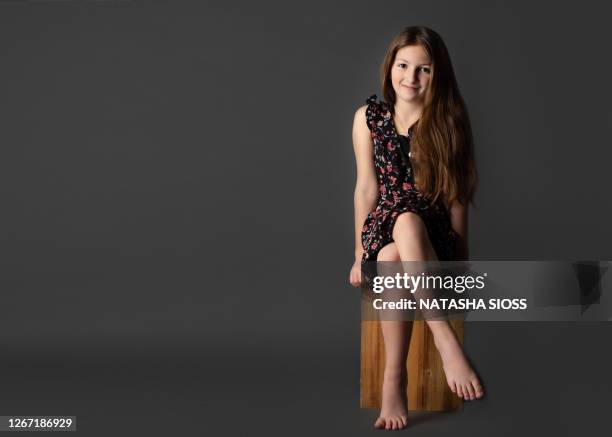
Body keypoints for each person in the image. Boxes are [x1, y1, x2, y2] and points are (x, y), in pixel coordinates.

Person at [349, 26, 484, 430]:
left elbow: (457, 198)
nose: (410, 77)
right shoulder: (368, 118)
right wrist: (358, 255)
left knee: (403, 238)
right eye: (403, 65)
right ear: (389, 66)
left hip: (431, 229)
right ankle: (442, 344)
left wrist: (461, 262)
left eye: (423, 69)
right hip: (385, 223)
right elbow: (366, 190)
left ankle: (395, 378)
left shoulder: (449, 120)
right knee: (390, 242)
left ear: (437, 74)